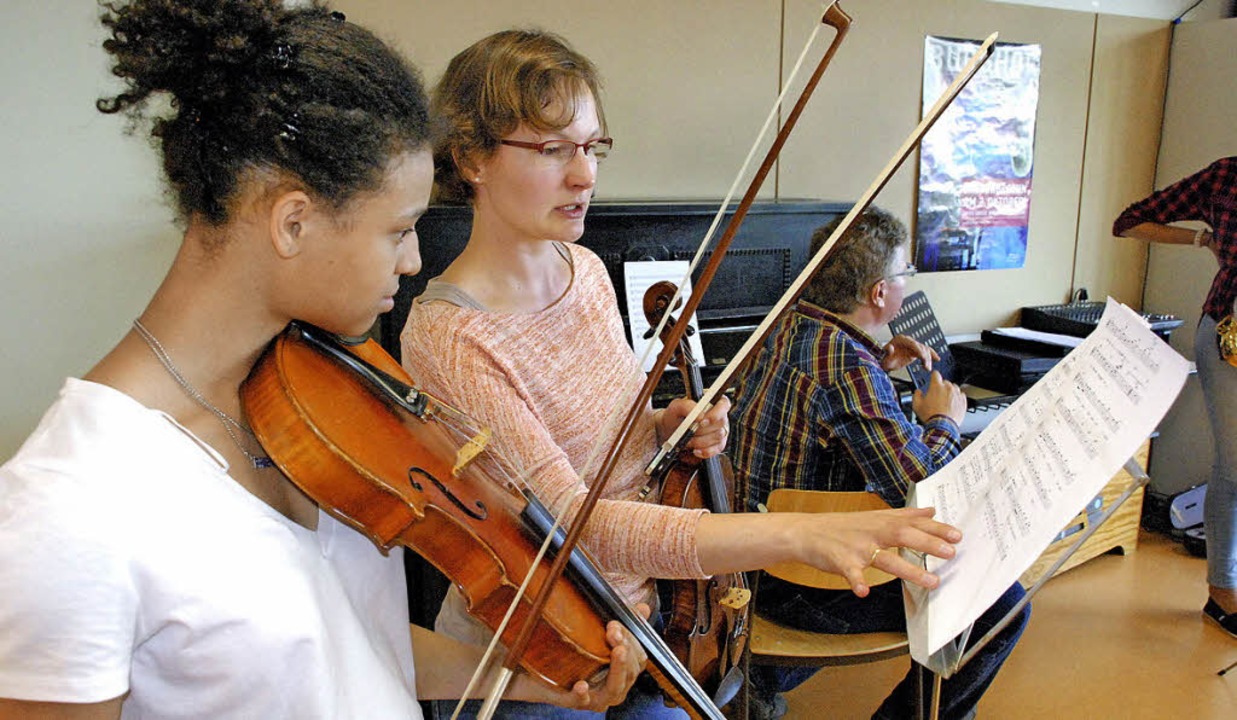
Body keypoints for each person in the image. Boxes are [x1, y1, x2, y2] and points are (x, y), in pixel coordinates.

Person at [0, 2, 649, 718]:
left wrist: (518, 677)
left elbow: (341, 643)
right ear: (293, 222)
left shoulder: (319, 403)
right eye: (399, 230)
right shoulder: (72, 504)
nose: (410, 262)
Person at [399, 29, 965, 719]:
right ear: (470, 157)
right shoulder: (451, 337)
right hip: (545, 655)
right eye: (552, 150)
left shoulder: (581, 270)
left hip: (650, 619)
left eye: (592, 146)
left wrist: (666, 423)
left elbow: (611, 437)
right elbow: (574, 526)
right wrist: (795, 536)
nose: (585, 176)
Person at [730, 208, 1030, 720]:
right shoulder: (848, 366)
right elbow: (922, 491)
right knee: (1001, 605)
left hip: (751, 561)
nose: (909, 282)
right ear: (878, 293)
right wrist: (943, 420)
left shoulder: (791, 323)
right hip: (801, 585)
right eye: (906, 272)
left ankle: (761, 677)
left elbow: (837, 406)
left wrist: (878, 364)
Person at [1114, 156, 1237, 639]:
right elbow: (1129, 222)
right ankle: (1224, 589)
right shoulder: (1226, 175)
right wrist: (1200, 239)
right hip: (1229, 336)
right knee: (1235, 465)